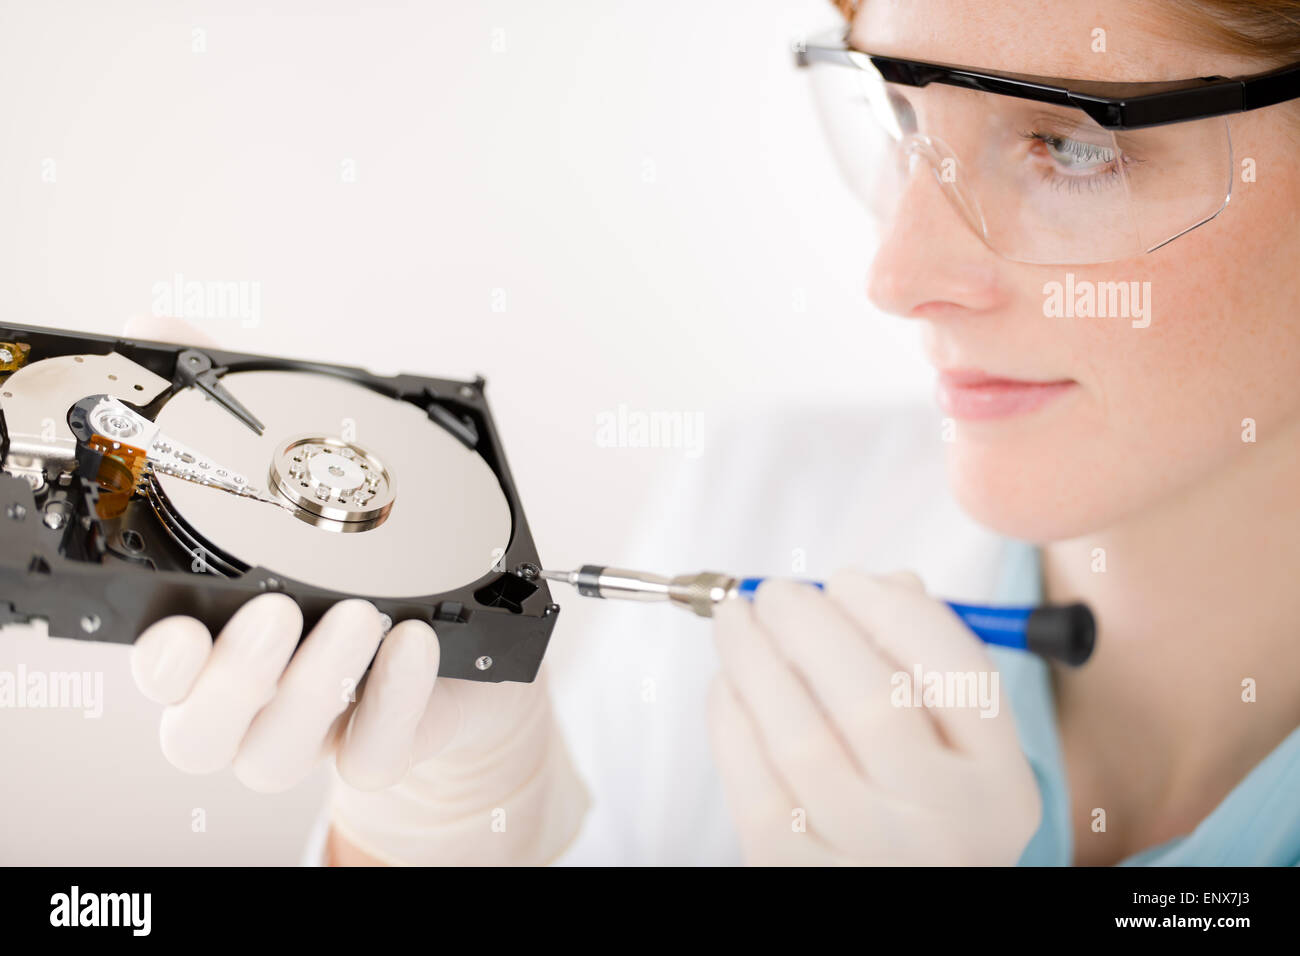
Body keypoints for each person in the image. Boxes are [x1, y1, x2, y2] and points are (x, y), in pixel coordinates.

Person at [131, 0, 1300, 865]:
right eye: (898, 118)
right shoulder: (766, 496)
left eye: (1072, 145)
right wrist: (430, 832)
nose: (897, 274)